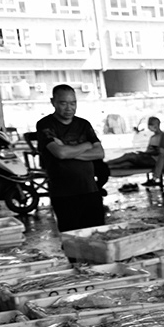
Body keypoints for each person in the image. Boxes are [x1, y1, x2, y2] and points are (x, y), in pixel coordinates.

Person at [35, 84, 106, 232]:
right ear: (53, 102)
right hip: (64, 194)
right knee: (72, 240)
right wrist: (86, 145)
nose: (69, 108)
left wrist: (69, 152)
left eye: (73, 103)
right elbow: (60, 153)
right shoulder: (45, 125)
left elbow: (99, 153)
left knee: (97, 237)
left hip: (90, 190)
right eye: (63, 103)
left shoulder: (83, 124)